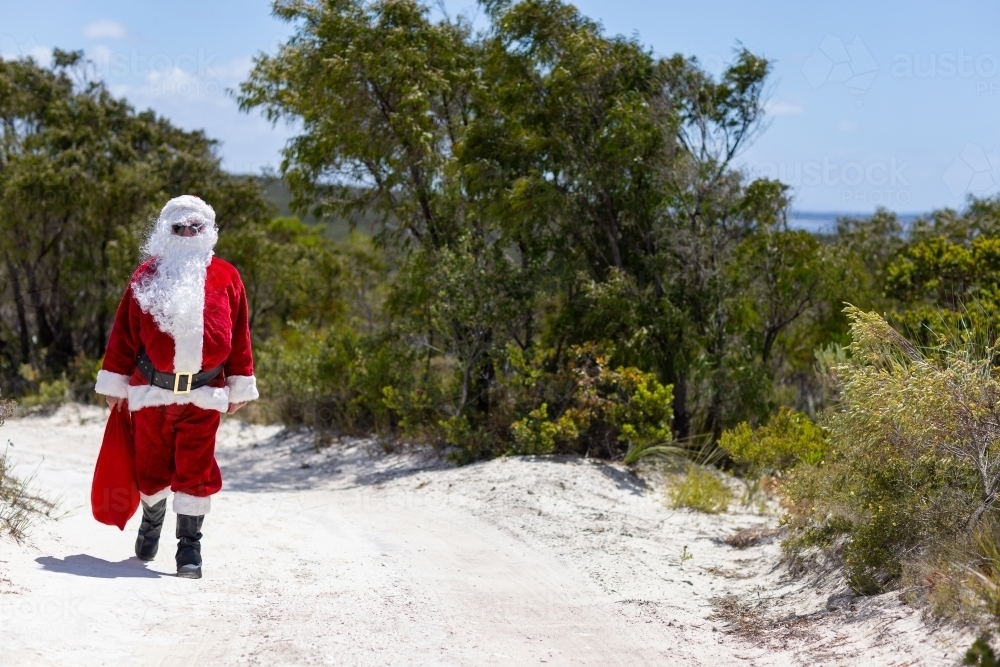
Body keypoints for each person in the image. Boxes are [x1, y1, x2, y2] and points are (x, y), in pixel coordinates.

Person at [94, 195, 258, 579]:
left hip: (204, 394)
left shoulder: (227, 277)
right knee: (150, 470)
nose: (187, 233)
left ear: (208, 232)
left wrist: (239, 385)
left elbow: (240, 336)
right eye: (179, 227)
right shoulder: (146, 275)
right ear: (165, 232)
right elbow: (122, 334)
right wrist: (114, 384)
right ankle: (152, 519)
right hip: (151, 394)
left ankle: (189, 549)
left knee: (196, 470)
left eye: (195, 227)